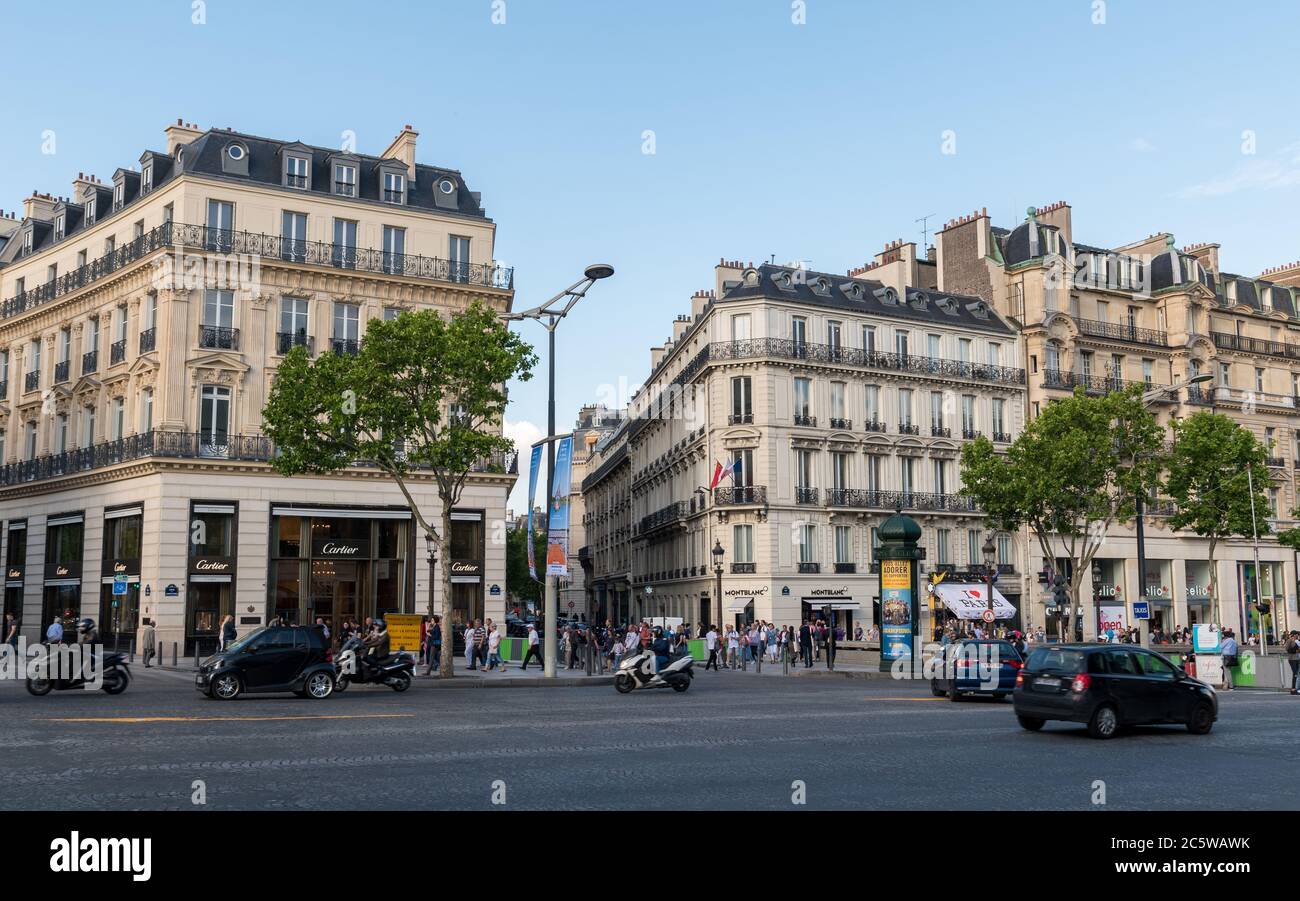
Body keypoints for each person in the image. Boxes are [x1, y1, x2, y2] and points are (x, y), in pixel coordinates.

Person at [1285, 630, 1300, 695]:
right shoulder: (1289, 640)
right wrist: (1294, 650)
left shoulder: (1297, 641)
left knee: (1297, 673)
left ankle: (1295, 688)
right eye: (1296, 634)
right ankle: (1293, 689)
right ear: (1293, 635)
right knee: (1295, 673)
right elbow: (1287, 649)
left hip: (1297, 659)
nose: (1297, 635)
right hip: (1292, 659)